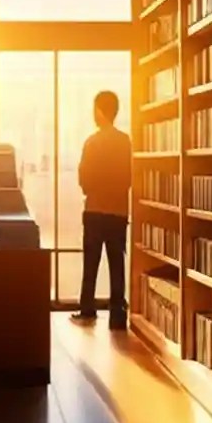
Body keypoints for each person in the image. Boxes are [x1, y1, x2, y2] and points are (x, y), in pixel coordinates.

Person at [72, 90, 132, 329]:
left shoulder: (92, 142)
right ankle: (117, 313)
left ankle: (87, 308)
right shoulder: (124, 141)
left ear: (99, 110)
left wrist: (91, 187)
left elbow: (84, 178)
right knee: (117, 263)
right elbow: (129, 177)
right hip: (118, 211)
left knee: (91, 262)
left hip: (95, 210)